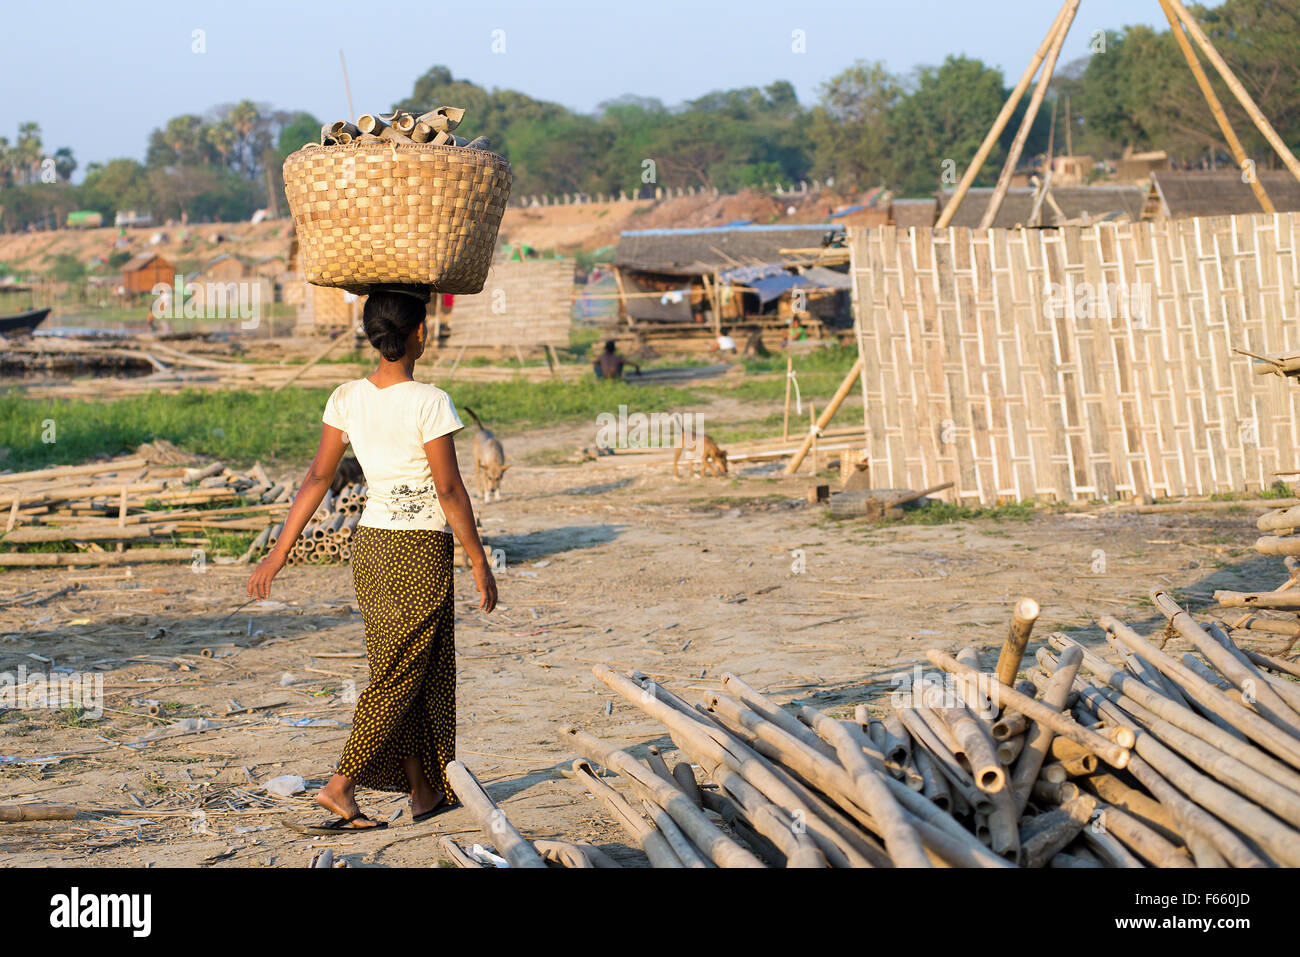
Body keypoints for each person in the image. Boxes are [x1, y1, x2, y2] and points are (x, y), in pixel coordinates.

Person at [246, 287, 497, 831]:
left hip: (372, 548)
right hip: (418, 549)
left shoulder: (346, 398)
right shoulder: (430, 401)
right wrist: (478, 559)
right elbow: (450, 490)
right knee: (401, 672)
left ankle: (424, 790)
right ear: (419, 334)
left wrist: (278, 553)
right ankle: (340, 785)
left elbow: (316, 478)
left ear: (370, 335)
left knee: (411, 668)